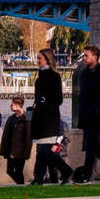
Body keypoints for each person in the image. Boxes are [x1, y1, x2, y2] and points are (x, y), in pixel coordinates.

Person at [74, 45, 100, 182]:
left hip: (96, 117)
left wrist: (96, 110)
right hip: (86, 115)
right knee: (91, 146)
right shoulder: (84, 74)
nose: (84, 58)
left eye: (87, 55)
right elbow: (83, 97)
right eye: (84, 55)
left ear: (95, 57)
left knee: (93, 145)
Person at [31, 48, 73, 184]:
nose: (37, 61)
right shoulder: (40, 76)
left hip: (49, 119)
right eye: (37, 58)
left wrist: (46, 106)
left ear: (47, 59)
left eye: (40, 58)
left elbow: (58, 99)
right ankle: (55, 174)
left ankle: (40, 177)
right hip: (40, 117)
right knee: (43, 149)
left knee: (43, 150)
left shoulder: (54, 77)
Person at [0, 97, 33, 184]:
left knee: (18, 171)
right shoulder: (11, 118)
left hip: (21, 150)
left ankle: (21, 186)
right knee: (9, 170)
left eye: (12, 104)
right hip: (11, 149)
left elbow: (29, 136)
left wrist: (27, 151)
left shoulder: (26, 118)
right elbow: (6, 135)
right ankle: (21, 184)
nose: (10, 106)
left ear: (18, 106)